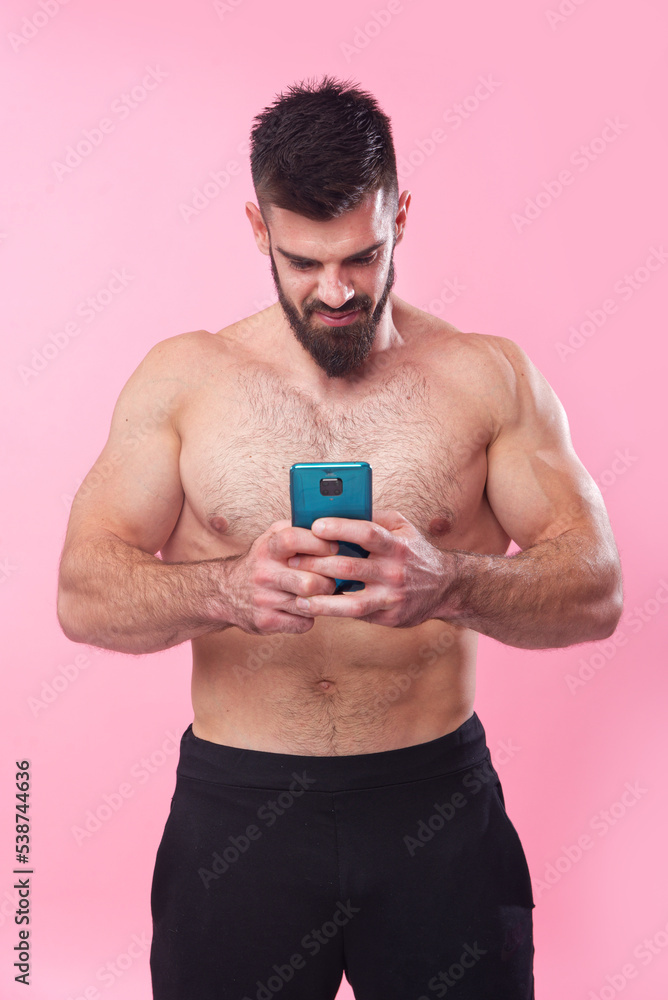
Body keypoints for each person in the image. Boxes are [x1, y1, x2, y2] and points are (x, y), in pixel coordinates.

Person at [57, 75, 623, 999]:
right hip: (238, 812)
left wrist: (453, 583)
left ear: (401, 214)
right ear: (257, 230)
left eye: (362, 256)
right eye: (302, 261)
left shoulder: (486, 377)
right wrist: (221, 589)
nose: (335, 291)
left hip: (435, 812)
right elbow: (82, 591)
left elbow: (597, 589)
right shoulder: (185, 380)